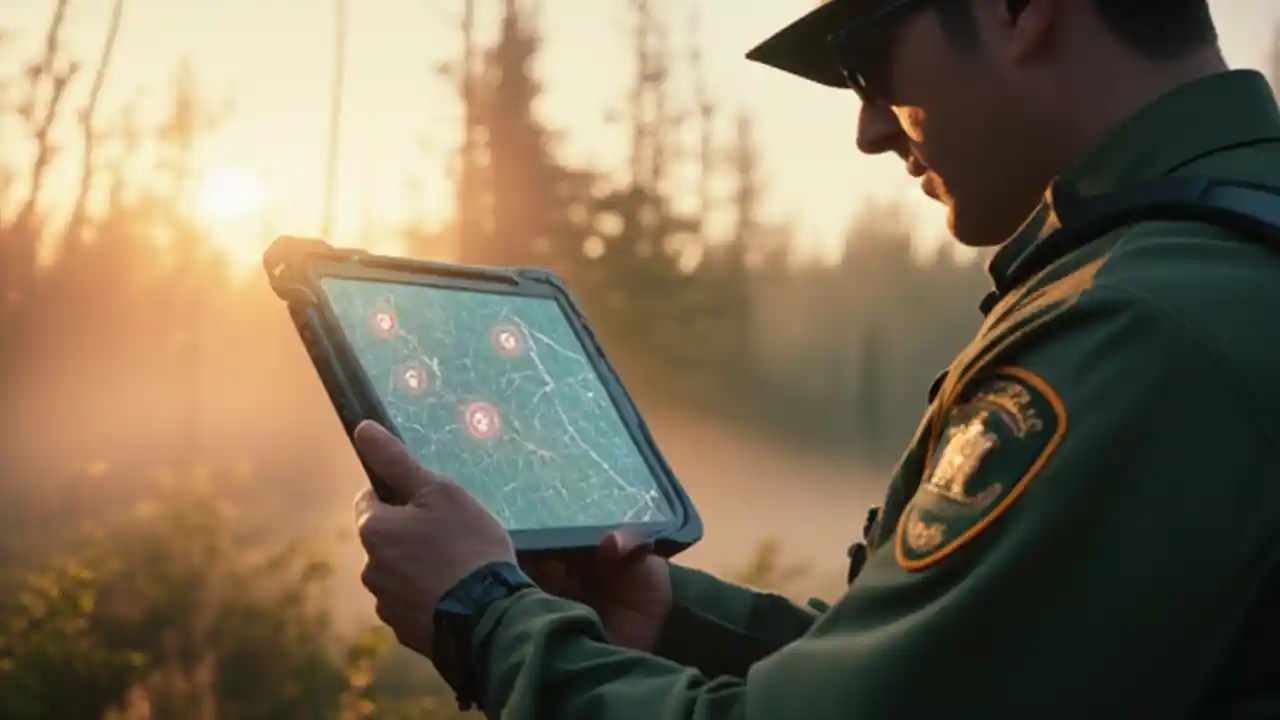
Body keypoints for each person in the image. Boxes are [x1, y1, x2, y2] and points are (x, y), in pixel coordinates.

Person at [352, 0, 1280, 716]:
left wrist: (487, 617)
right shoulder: (1216, 262)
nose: (870, 129)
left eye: (867, 61)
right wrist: (677, 620)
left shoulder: (1139, 329)